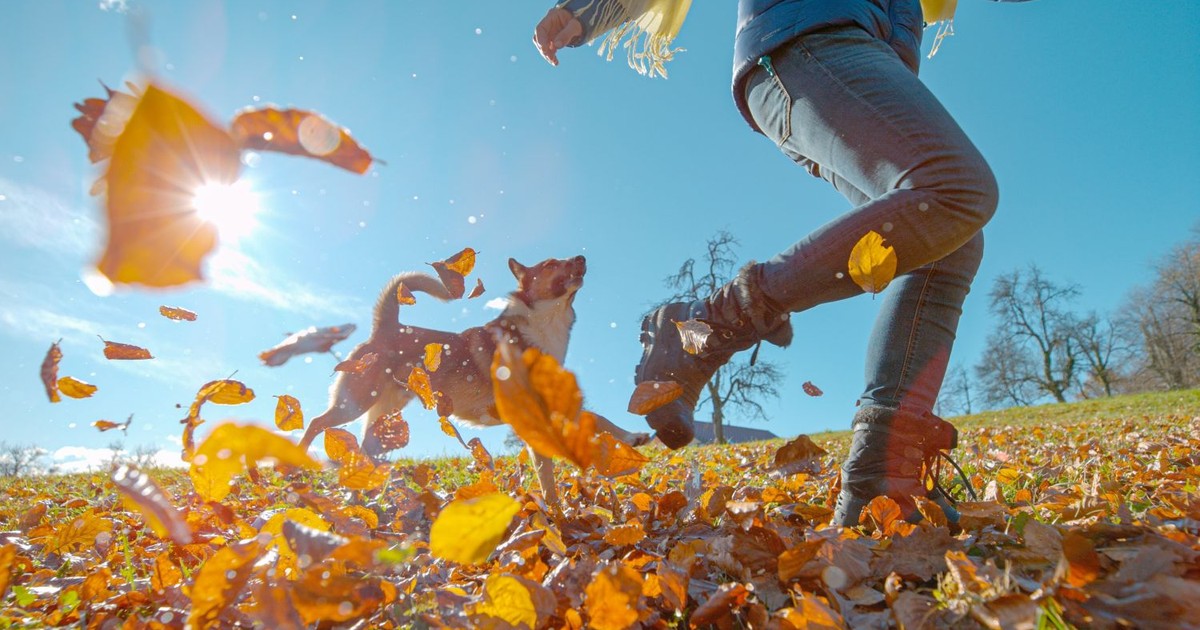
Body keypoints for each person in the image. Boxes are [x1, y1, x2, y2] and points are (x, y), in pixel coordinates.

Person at [533, 0, 1029, 526]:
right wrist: (589, 11)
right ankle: (710, 324)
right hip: (805, 47)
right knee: (955, 188)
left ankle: (881, 482)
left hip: (840, 68)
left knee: (946, 238)